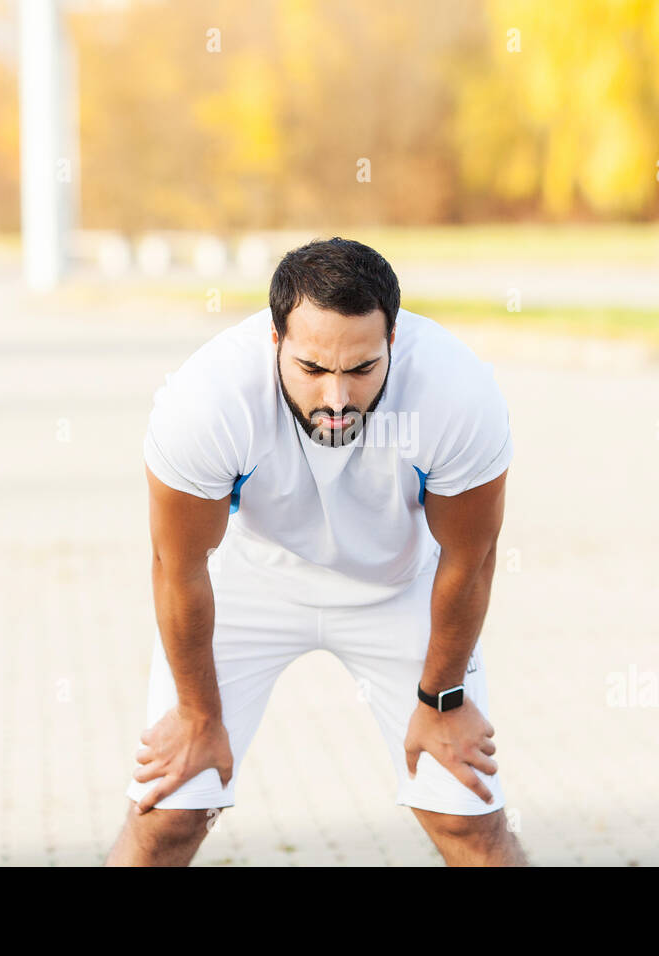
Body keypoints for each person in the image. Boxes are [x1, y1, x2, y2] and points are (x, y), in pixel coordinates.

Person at [105, 237, 525, 866]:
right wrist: (197, 712)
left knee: (465, 820)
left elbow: (470, 560)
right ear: (274, 341)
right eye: (313, 370)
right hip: (253, 581)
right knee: (170, 812)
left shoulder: (456, 395)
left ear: (392, 343)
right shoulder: (206, 404)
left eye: (361, 370)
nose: (336, 399)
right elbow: (179, 569)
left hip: (399, 586)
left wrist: (441, 701)